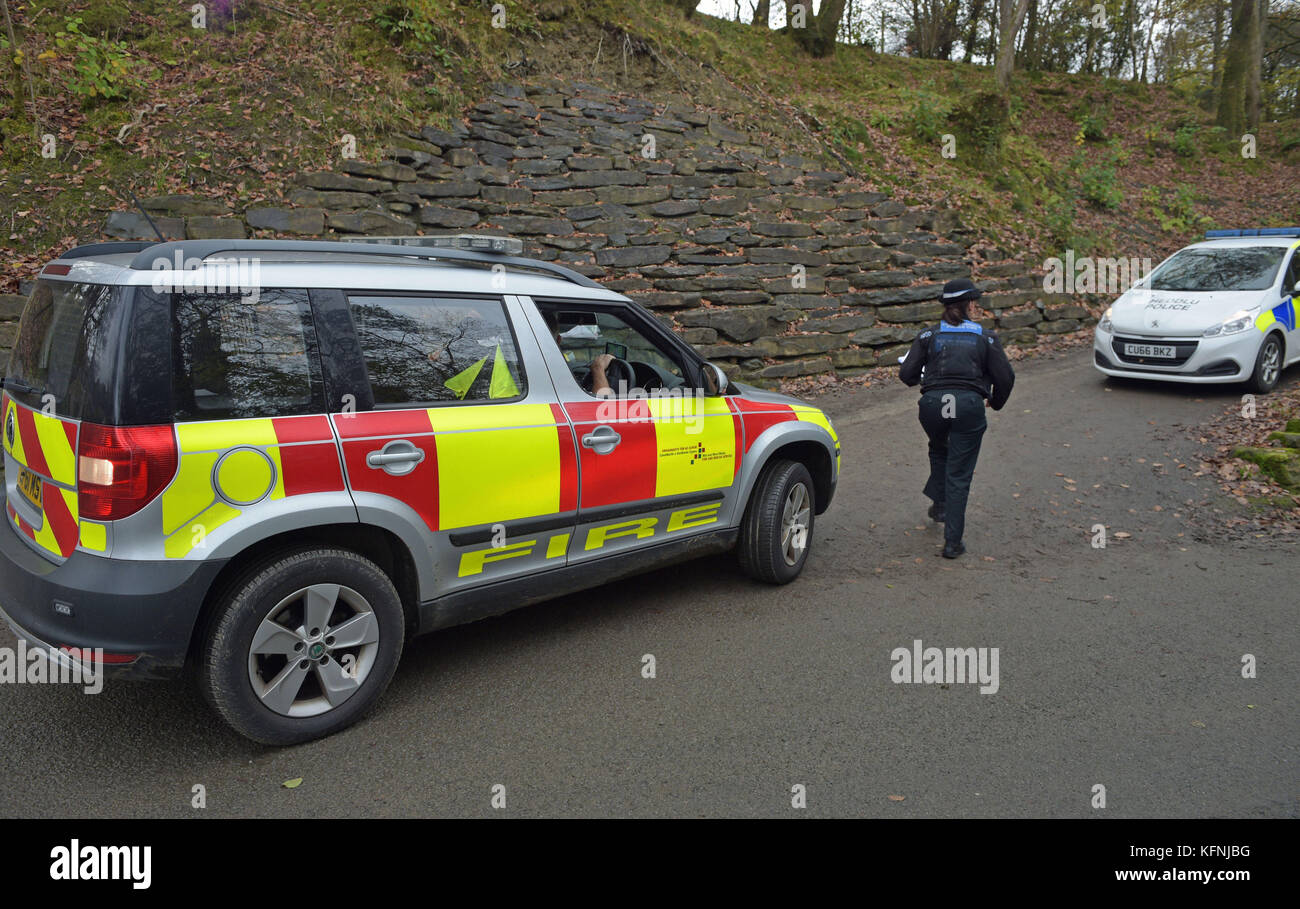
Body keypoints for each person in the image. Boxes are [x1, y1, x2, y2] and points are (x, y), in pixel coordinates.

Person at [898, 278, 1015, 558]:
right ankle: (953, 543)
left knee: (939, 449)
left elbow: (906, 375)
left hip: (933, 407)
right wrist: (994, 402)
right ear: (970, 305)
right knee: (959, 473)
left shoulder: (928, 335)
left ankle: (940, 506)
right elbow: (1006, 378)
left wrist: (925, 379)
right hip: (968, 407)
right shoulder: (986, 337)